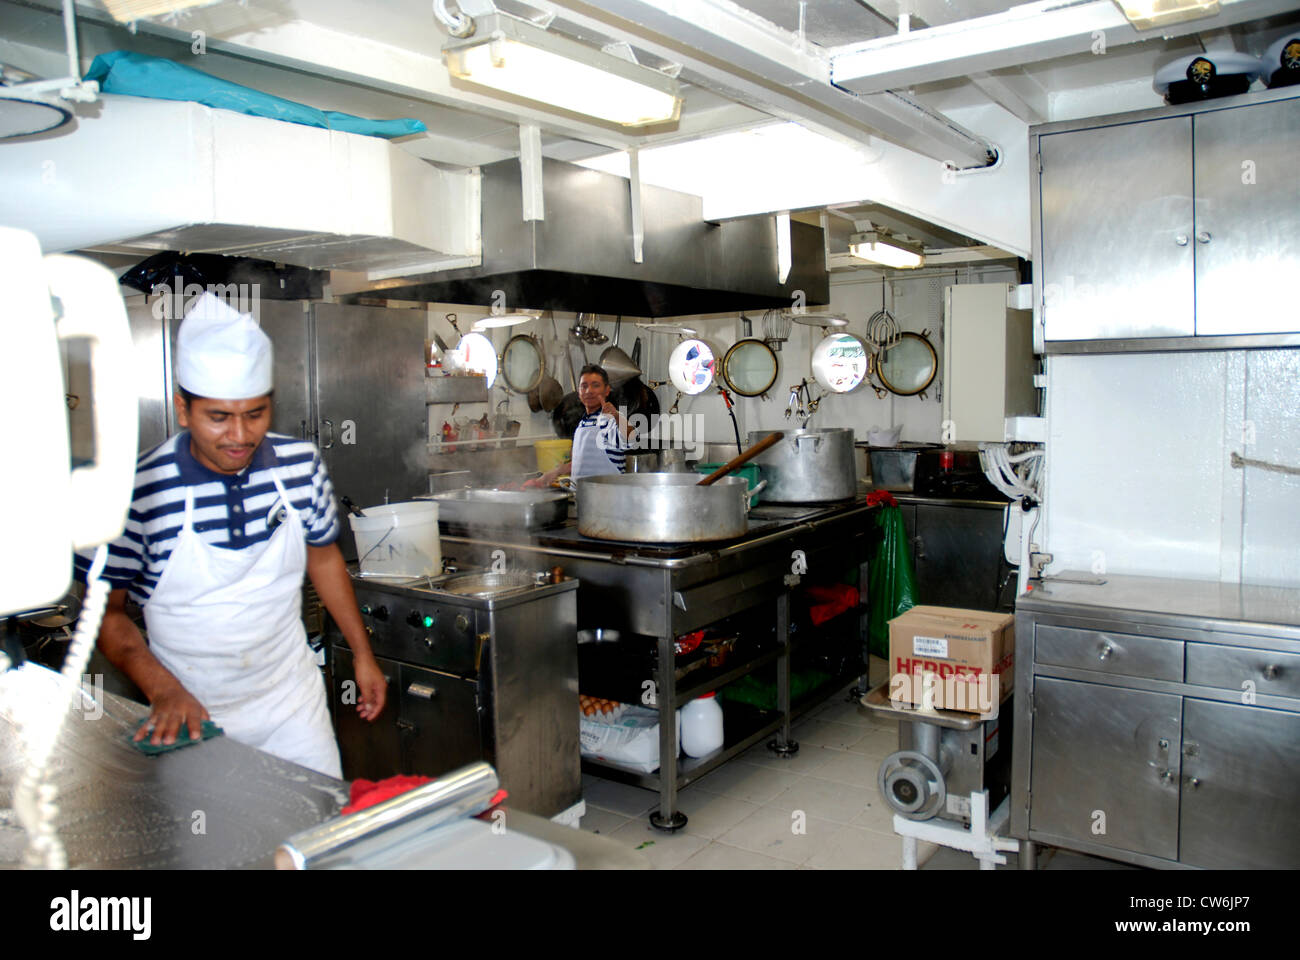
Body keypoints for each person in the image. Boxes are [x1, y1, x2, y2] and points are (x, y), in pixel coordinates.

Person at [73, 293, 385, 779]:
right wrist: (163, 690)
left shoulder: (300, 466)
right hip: (194, 713)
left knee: (314, 839)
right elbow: (103, 616)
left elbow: (322, 560)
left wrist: (362, 654)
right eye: (218, 417)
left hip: (293, 709)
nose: (240, 435)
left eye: (255, 414)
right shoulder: (138, 492)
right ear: (183, 409)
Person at [530, 364, 633, 486]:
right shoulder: (582, 424)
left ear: (607, 390)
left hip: (606, 499)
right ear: (579, 392)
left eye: (595, 385)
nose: (589, 391)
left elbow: (631, 438)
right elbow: (582, 463)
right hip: (582, 497)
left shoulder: (609, 420)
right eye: (584, 386)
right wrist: (552, 473)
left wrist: (616, 415)